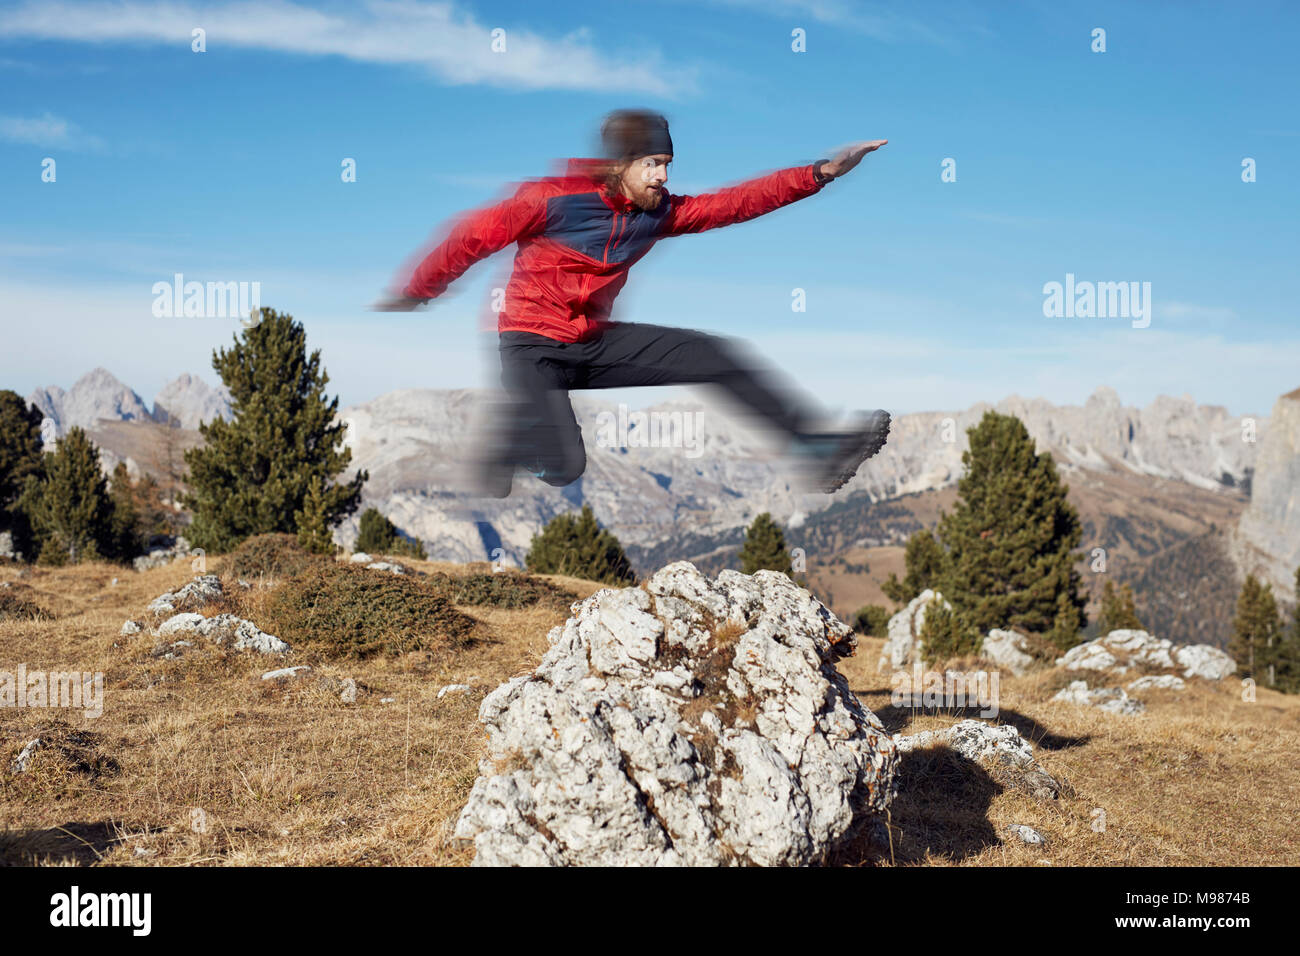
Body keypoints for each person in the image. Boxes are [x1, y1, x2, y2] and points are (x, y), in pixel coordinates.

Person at [376, 109, 891, 497]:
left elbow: (733, 204)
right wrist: (420, 289)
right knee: (565, 468)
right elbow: (472, 237)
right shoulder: (550, 199)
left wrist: (819, 173)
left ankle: (814, 449)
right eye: (652, 164)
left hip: (592, 341)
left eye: (666, 164)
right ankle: (511, 442)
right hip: (532, 344)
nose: (662, 176)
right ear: (620, 164)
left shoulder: (656, 212)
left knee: (716, 356)